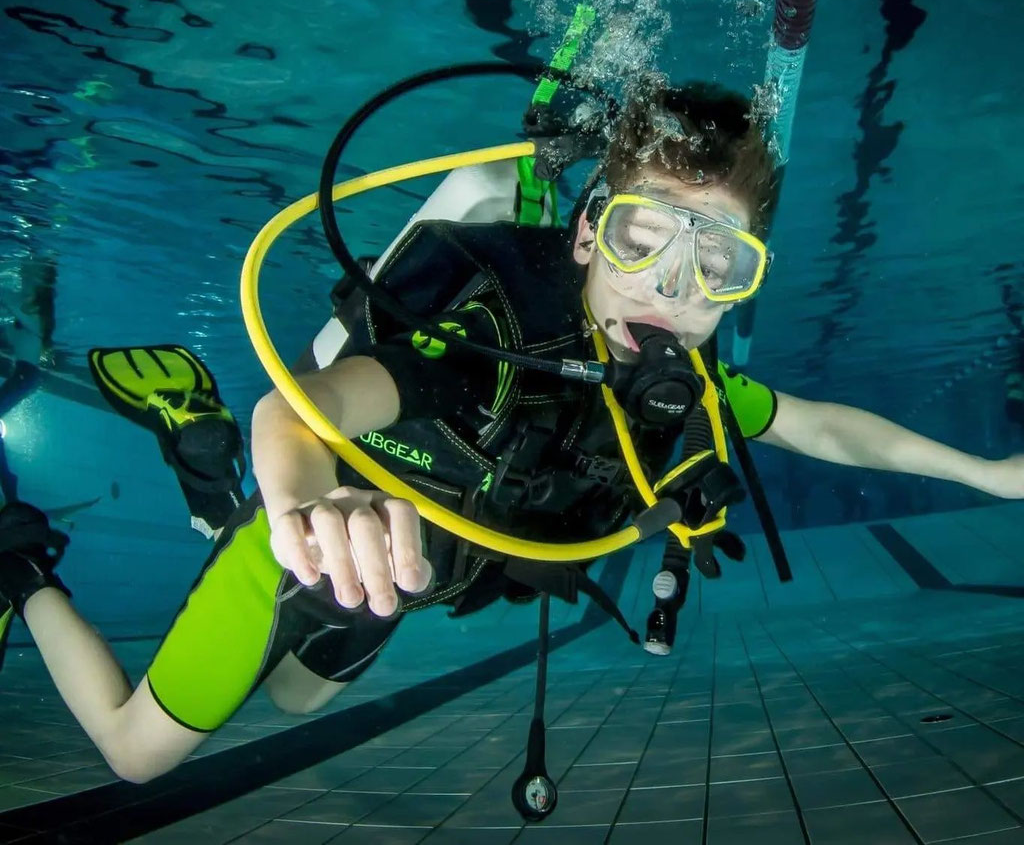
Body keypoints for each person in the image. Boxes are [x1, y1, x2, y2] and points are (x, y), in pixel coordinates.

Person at [2, 82, 1022, 788]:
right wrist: (307, 506)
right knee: (136, 752)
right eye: (641, 236)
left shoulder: (686, 384)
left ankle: (208, 470)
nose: (669, 292)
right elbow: (304, 407)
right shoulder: (490, 335)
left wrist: (990, 472)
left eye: (719, 264)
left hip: (403, 577)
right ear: (588, 231)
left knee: (297, 703)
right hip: (322, 541)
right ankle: (24, 561)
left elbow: (822, 426)